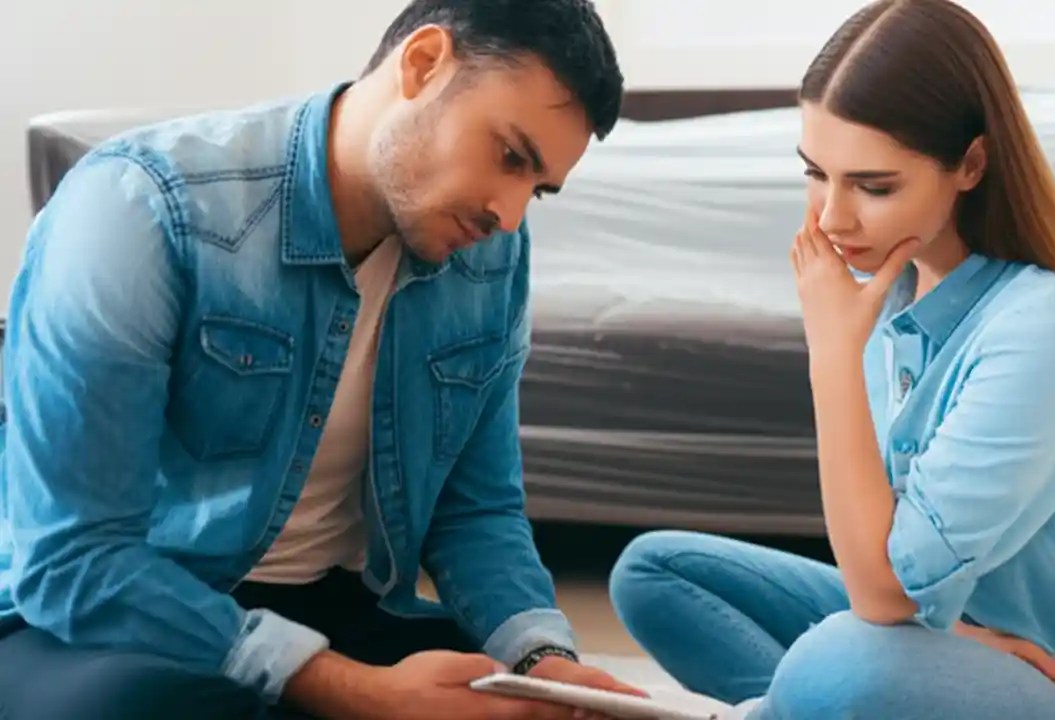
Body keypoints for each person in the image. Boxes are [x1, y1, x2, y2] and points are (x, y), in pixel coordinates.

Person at [0, 1, 640, 718]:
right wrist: (352, 690)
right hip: (104, 620)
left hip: (329, 608)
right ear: (424, 64)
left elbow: (477, 512)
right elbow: (73, 563)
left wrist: (541, 660)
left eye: (539, 188)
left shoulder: (491, 255)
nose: (512, 213)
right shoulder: (142, 207)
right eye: (510, 156)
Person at [609, 1, 1055, 718]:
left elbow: (881, 590)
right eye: (817, 174)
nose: (833, 218)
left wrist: (831, 353)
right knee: (653, 573)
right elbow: (892, 579)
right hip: (961, 635)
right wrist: (953, 635)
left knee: (838, 663)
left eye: (873, 186)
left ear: (971, 164)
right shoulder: (892, 304)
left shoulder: (1044, 327)